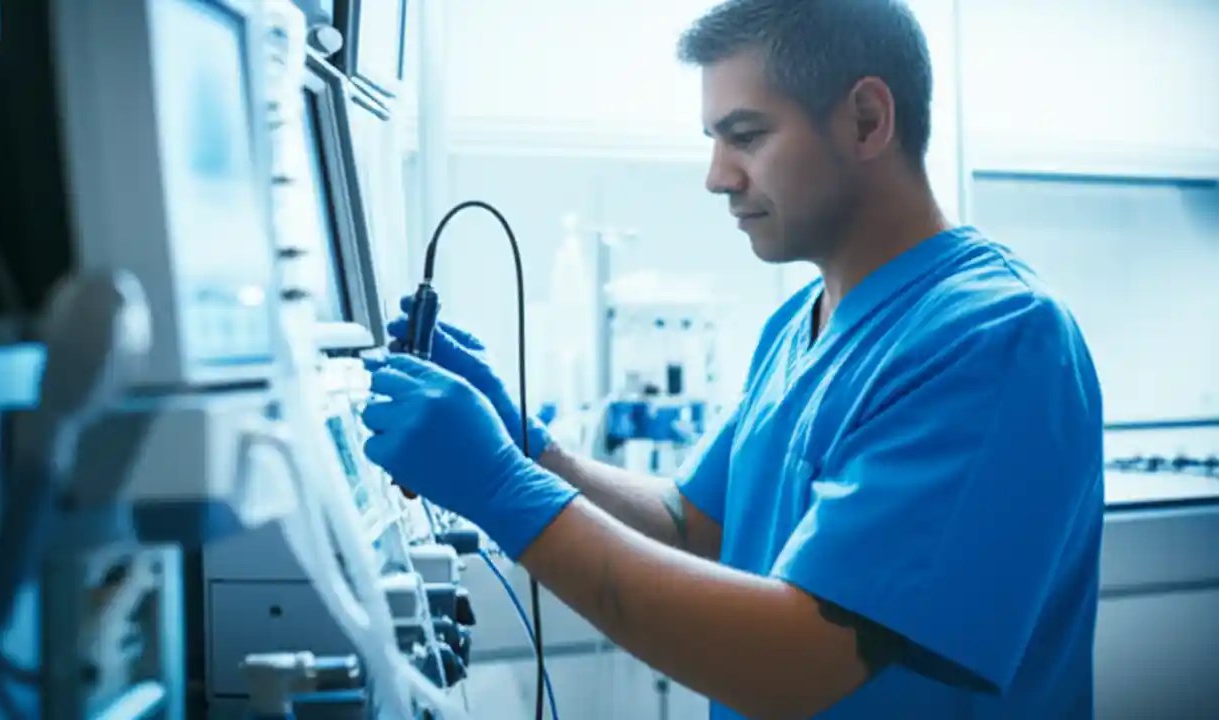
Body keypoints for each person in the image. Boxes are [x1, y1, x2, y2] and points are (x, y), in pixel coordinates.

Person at [361, 0, 1105, 717]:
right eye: (715, 140)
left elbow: (793, 664)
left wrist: (498, 486)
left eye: (745, 136)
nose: (717, 175)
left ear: (867, 120)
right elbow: (695, 527)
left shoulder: (994, 338)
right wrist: (534, 448)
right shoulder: (799, 322)